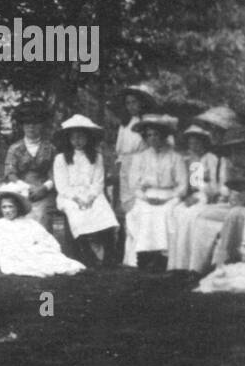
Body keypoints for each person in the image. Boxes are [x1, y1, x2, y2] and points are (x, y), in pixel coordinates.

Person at [51, 114, 118, 267]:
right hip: (69, 196)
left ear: (88, 138)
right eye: (74, 138)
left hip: (92, 194)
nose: (78, 142)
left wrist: (91, 197)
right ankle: (86, 254)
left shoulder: (97, 157)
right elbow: (62, 186)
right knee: (76, 213)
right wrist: (77, 198)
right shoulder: (61, 158)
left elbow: (98, 182)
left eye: (81, 137)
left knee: (103, 210)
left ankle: (109, 255)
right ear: (68, 139)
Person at [123, 114, 186, 270]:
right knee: (142, 212)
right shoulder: (140, 157)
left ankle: (163, 256)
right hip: (147, 196)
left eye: (156, 134)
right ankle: (143, 254)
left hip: (169, 195)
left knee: (167, 212)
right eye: (149, 135)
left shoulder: (175, 157)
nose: (152, 138)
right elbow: (134, 184)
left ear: (163, 136)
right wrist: (144, 197)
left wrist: (169, 198)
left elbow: (182, 185)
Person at [0, 184, 86, 277]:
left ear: (17, 207)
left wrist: (39, 246)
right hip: (10, 254)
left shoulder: (29, 223)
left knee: (48, 258)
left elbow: (45, 238)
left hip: (29, 251)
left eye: (10, 206)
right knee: (19, 263)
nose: (7, 210)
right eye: (4, 207)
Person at [167, 125, 225, 275]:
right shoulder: (194, 161)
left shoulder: (212, 159)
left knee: (190, 216)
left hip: (210, 197)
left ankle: (192, 264)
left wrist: (203, 184)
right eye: (191, 143)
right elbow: (193, 185)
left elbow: (215, 187)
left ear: (204, 143)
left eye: (197, 143)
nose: (193, 146)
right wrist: (191, 195)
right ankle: (177, 263)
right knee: (177, 211)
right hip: (198, 196)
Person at [3, 101, 58, 229]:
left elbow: (56, 172)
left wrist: (44, 188)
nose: (31, 128)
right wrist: (26, 187)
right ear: (22, 126)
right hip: (20, 191)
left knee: (43, 218)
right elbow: (10, 172)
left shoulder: (50, 148)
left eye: (35, 124)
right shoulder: (15, 148)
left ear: (41, 126)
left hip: (44, 192)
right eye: (27, 124)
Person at [110, 85, 158, 223]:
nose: (131, 106)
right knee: (126, 201)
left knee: (141, 200)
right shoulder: (125, 124)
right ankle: (124, 237)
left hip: (143, 163)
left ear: (141, 103)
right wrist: (118, 169)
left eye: (134, 102)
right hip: (126, 165)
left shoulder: (148, 122)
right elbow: (120, 151)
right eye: (128, 103)